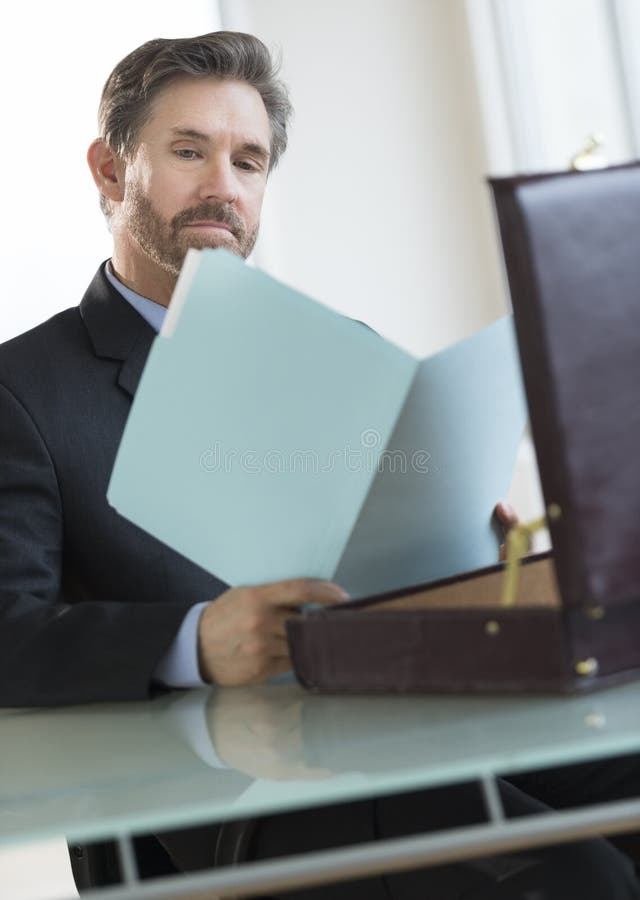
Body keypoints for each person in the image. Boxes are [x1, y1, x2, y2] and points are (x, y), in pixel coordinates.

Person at [0, 30, 638, 900]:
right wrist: (194, 643)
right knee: (580, 880)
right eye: (190, 151)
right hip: (229, 798)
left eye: (249, 160)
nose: (223, 184)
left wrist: (473, 558)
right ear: (111, 171)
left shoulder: (348, 356)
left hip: (415, 725)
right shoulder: (22, 390)